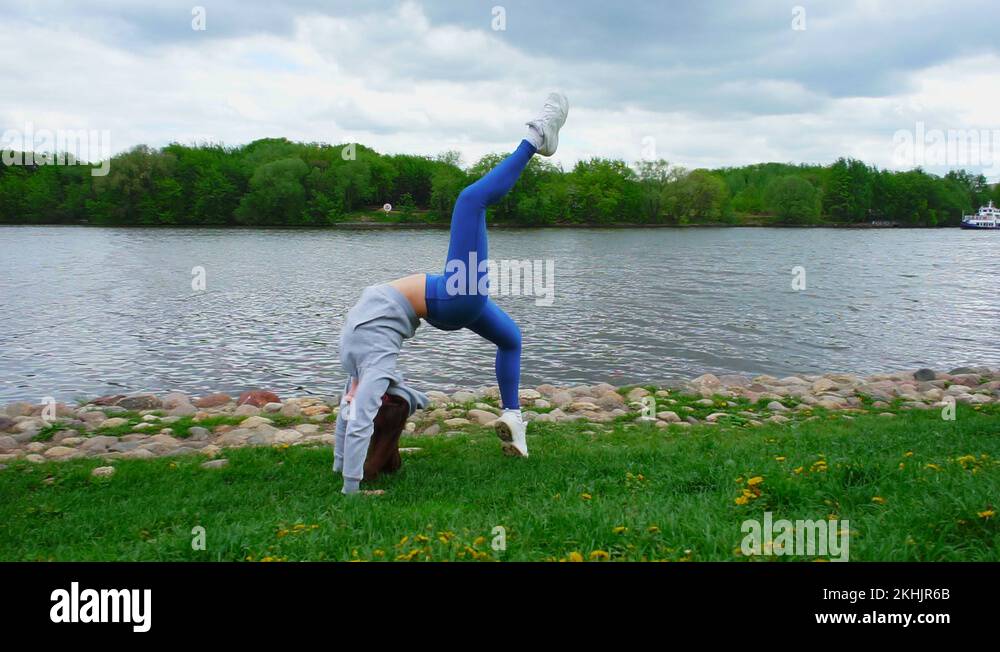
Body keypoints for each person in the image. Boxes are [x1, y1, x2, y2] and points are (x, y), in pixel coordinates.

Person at [333, 92, 569, 495]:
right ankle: (535, 137)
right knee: (469, 201)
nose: (389, 386)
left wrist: (341, 463)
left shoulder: (357, 364)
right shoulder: (369, 356)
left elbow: (349, 414)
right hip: (452, 295)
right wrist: (351, 487)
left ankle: (514, 417)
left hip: (450, 299)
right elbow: (357, 418)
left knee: (511, 339)